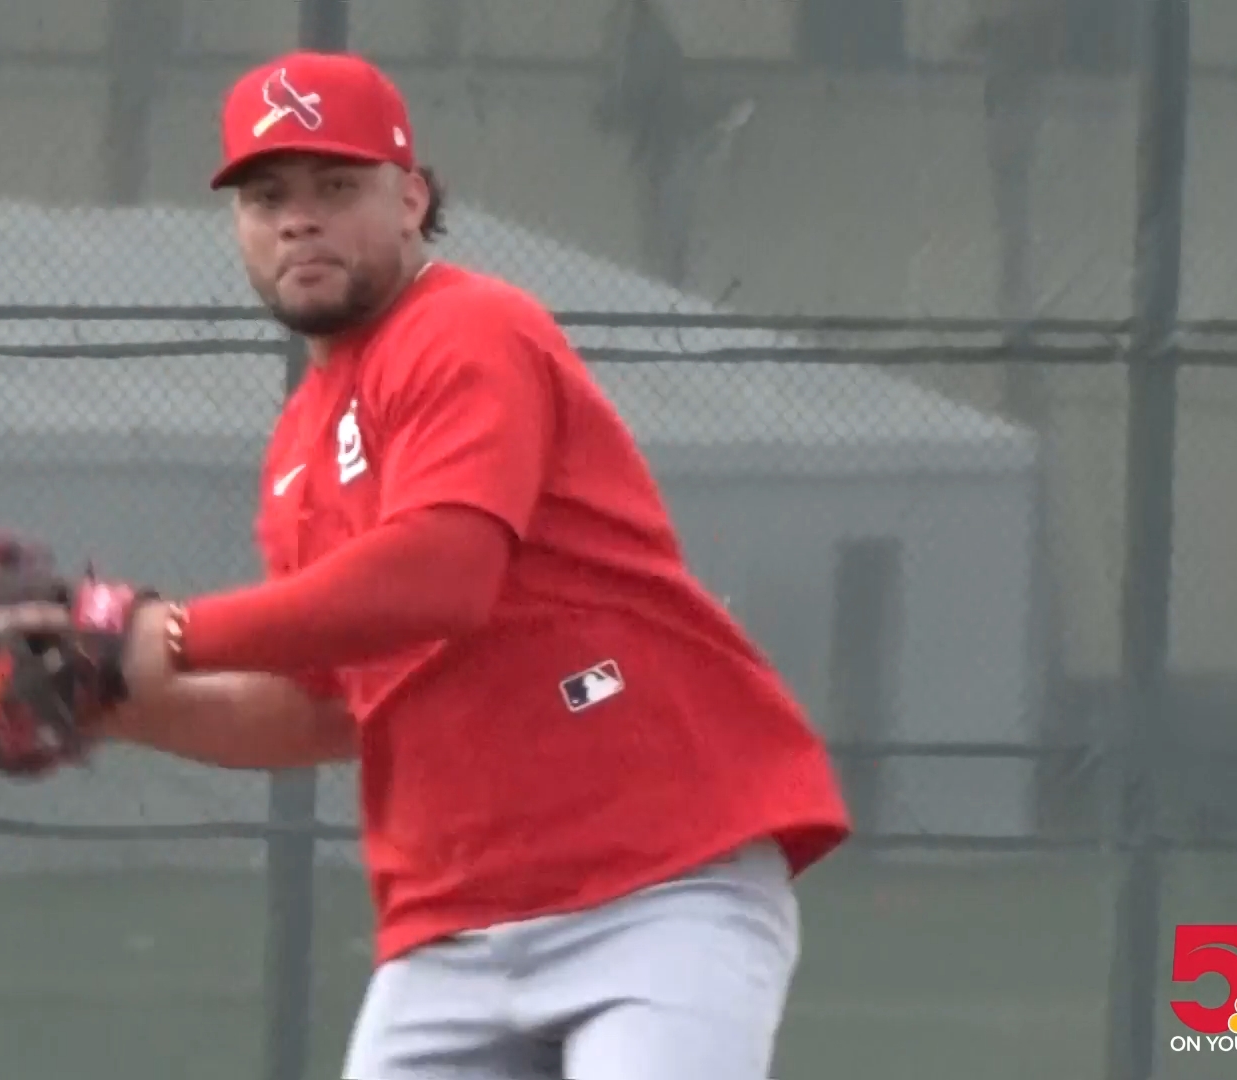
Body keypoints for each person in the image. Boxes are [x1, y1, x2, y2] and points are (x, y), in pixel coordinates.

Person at [93, 50, 851, 1080]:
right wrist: (118, 703)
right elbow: (328, 706)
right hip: (452, 930)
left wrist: (173, 632)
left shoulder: (466, 329)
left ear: (410, 200)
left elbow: (441, 575)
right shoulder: (298, 452)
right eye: (267, 197)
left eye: (335, 187)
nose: (297, 220)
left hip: (657, 888)